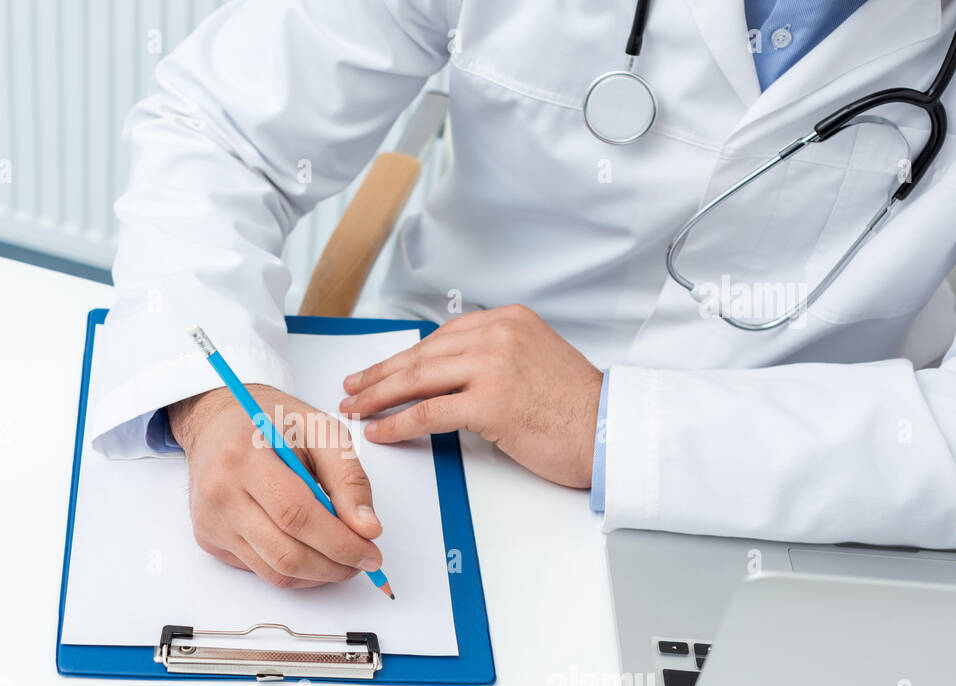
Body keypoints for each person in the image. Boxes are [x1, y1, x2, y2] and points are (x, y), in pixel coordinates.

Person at [89, 0, 956, 590]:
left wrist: (612, 422)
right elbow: (219, 129)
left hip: (803, 511)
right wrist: (206, 401)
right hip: (429, 440)